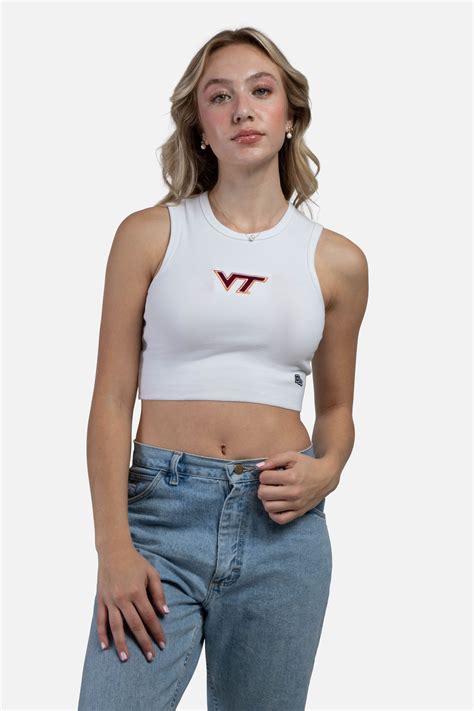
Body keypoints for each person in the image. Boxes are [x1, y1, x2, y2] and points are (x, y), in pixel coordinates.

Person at [78, 26, 369, 711]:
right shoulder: (149, 235)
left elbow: (336, 410)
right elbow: (111, 399)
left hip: (283, 529)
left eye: (261, 91)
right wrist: (113, 548)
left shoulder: (338, 262)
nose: (242, 109)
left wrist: (328, 468)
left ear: (290, 115)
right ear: (200, 127)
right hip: (159, 519)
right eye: (220, 97)